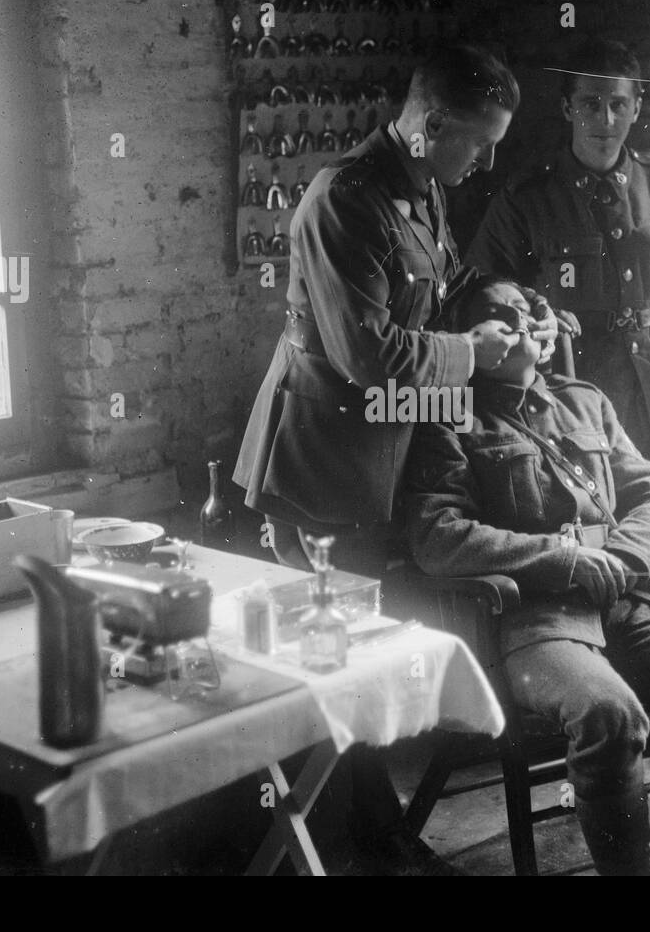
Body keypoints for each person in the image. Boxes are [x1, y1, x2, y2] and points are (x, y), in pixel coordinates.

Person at [233, 43, 559, 874]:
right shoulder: (345, 198)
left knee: (363, 646)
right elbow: (367, 353)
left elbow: (443, 291)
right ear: (431, 124)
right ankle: (354, 844)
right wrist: (474, 356)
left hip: (383, 450)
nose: (486, 160)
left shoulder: (423, 191)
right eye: (477, 142)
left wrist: (519, 313)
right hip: (323, 465)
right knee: (334, 656)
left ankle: (370, 837)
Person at [402, 276, 650, 875]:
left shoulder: (584, 402)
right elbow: (438, 536)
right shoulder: (448, 419)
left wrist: (622, 557)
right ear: (469, 336)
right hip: (535, 622)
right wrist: (563, 559)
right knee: (609, 715)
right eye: (500, 315)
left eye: (530, 310)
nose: (522, 323)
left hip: (628, 602)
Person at [465, 36, 650, 538]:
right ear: (567, 108)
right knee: (602, 509)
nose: (606, 119)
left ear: (637, 107)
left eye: (619, 104)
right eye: (590, 104)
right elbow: (485, 285)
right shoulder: (529, 195)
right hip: (579, 378)